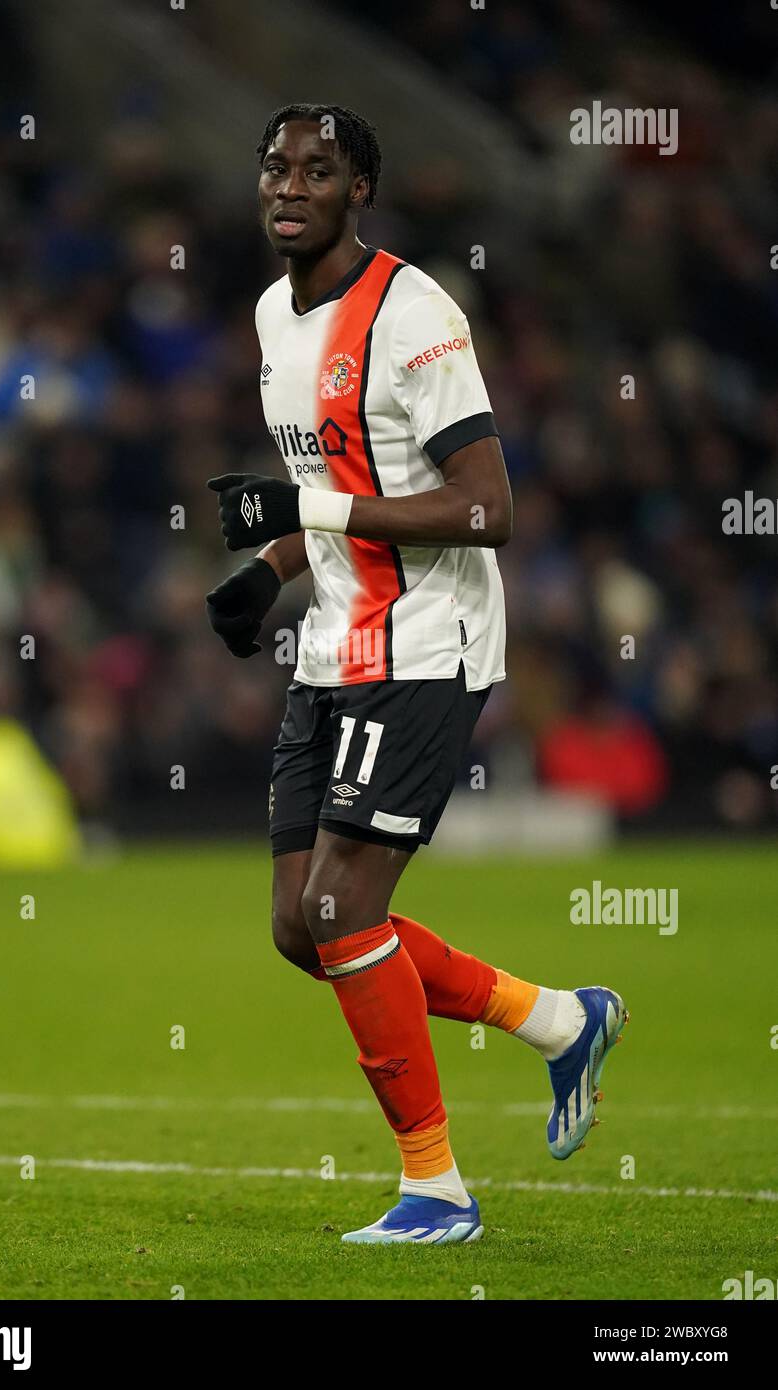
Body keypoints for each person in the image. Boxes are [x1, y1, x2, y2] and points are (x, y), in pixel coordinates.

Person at [206, 104, 627, 1244]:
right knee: (304, 924)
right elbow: (340, 485)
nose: (290, 184)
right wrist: (274, 568)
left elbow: (487, 506)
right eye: (275, 164)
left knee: (345, 905)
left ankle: (435, 1189)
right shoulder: (269, 319)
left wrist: (304, 513)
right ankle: (555, 1022)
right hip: (337, 636)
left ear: (360, 193)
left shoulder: (414, 312)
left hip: (428, 637)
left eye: (319, 169)